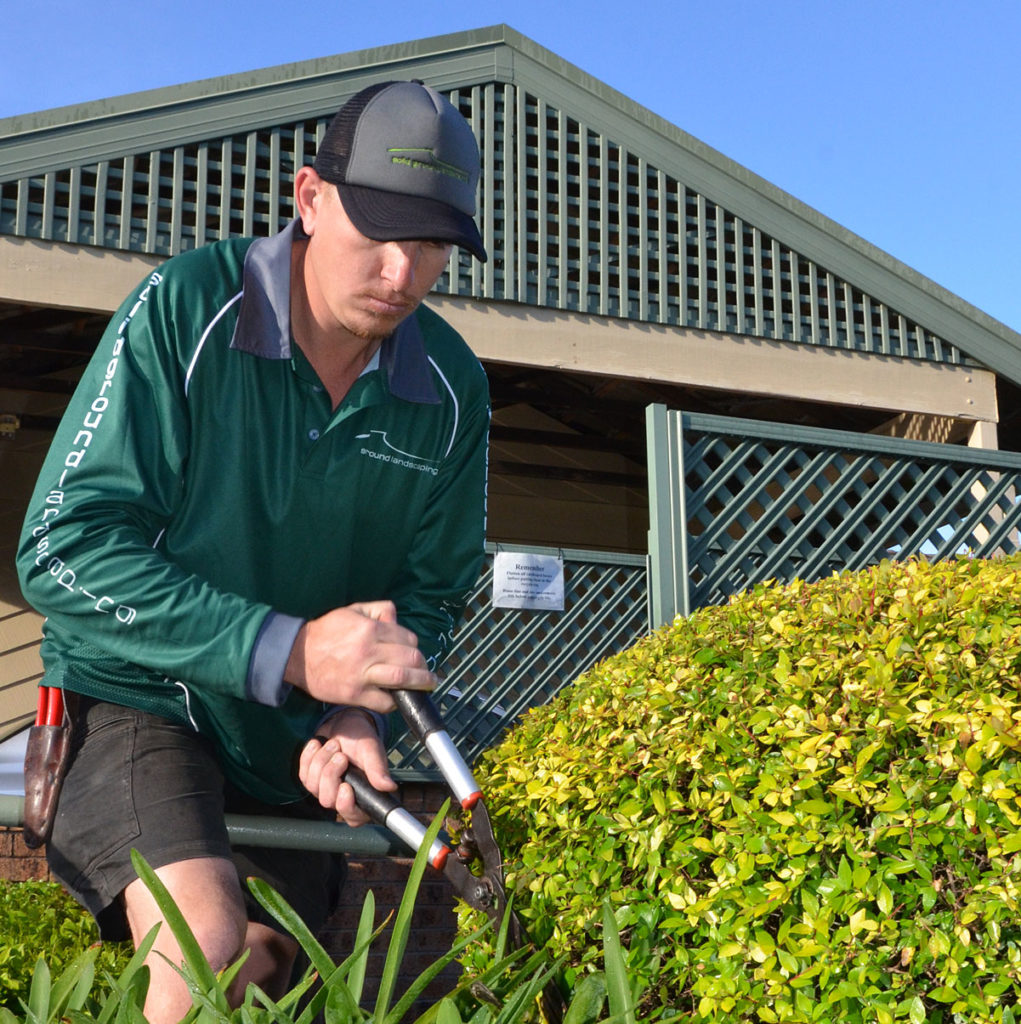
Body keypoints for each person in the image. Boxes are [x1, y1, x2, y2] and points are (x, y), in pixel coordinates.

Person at [16, 79, 489, 1020]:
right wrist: (294, 649)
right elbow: (61, 546)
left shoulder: (453, 387)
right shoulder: (184, 308)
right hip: (137, 695)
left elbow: (429, 594)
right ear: (310, 198)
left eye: (432, 243)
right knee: (205, 956)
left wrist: (365, 715)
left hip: (289, 737)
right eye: (379, 230)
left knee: (273, 972)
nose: (401, 272)